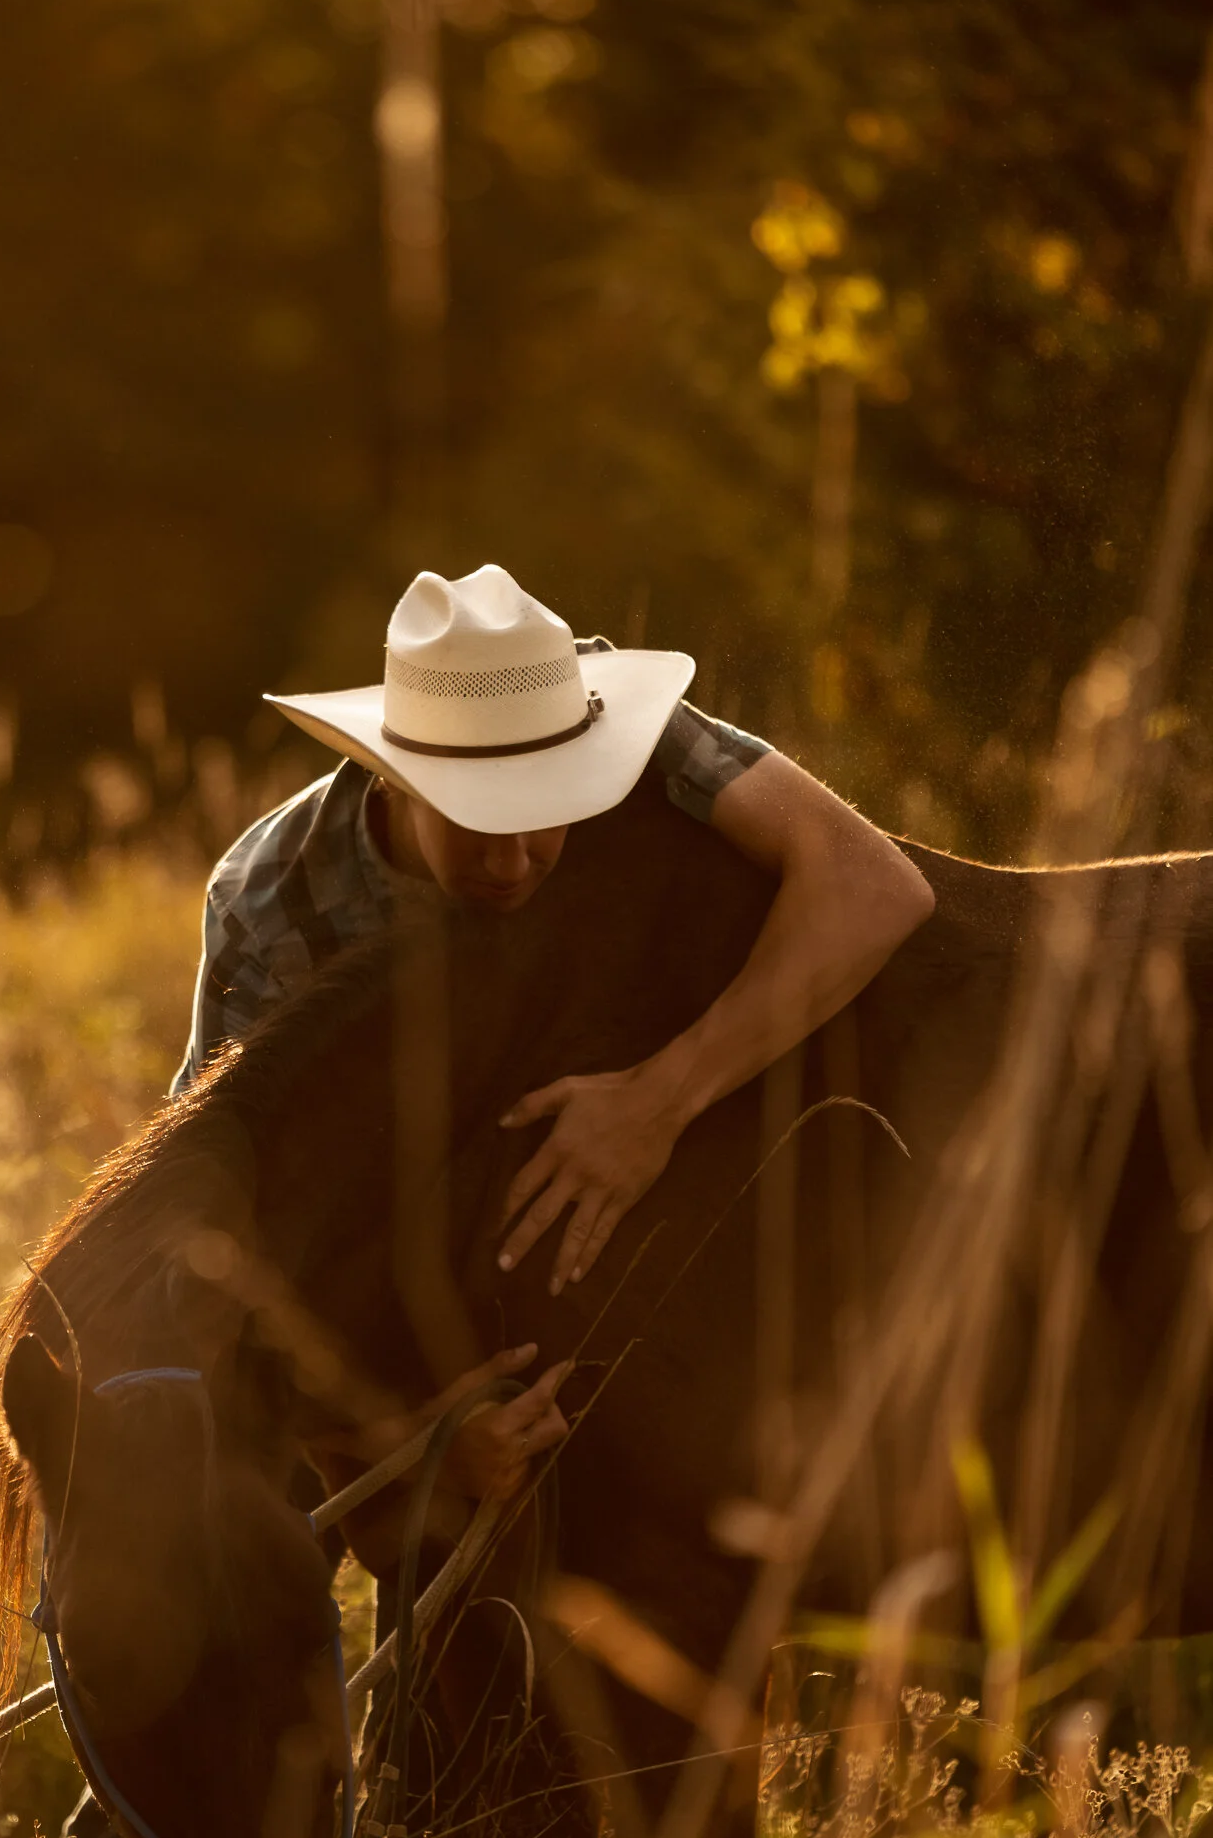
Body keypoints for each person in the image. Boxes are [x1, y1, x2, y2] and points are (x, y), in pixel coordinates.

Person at [173, 560, 934, 1504]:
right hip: (388, 1296)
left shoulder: (578, 710)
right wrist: (403, 1450)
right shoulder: (271, 909)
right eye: (476, 822)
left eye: (548, 817)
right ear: (394, 776)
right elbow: (222, 1233)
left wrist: (658, 1101)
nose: (515, 859)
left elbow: (874, 883)